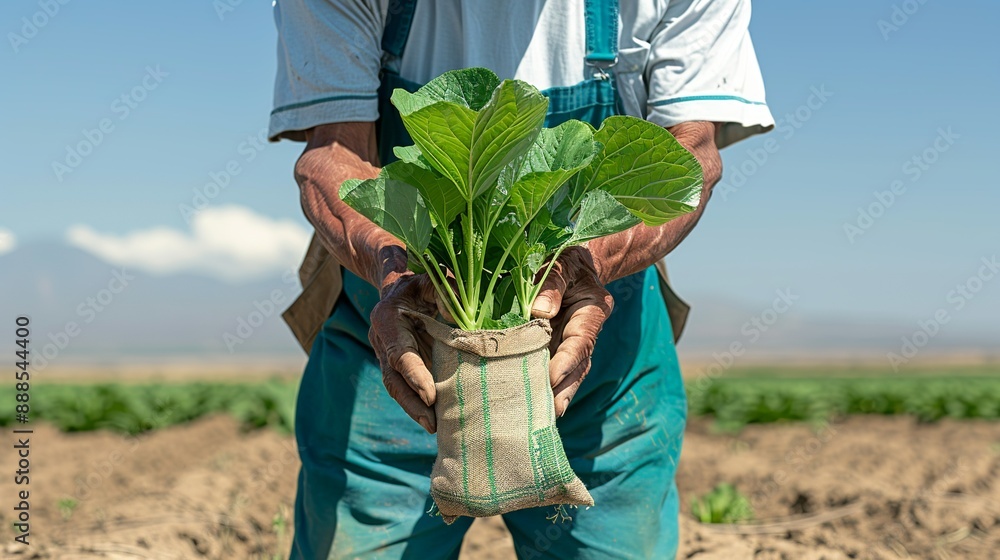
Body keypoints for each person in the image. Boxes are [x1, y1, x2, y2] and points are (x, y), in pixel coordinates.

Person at [268, 1, 772, 558]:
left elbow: (689, 156)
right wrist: (396, 268)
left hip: (600, 354)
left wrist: (586, 262)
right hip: (398, 351)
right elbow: (331, 157)